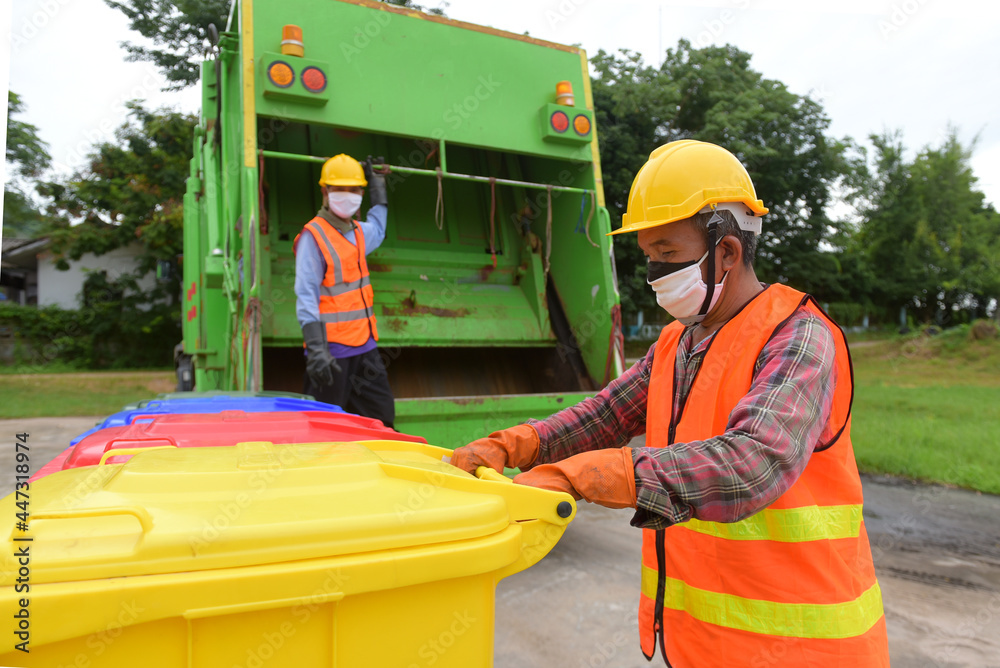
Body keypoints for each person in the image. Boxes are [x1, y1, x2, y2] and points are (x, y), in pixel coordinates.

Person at [450, 140, 890, 667]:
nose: (655, 273)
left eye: (669, 255)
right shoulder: (677, 343)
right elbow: (606, 415)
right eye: (649, 257)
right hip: (703, 646)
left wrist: (593, 475)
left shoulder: (798, 336)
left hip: (804, 649)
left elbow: (754, 463)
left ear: (726, 251)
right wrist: (518, 445)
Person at [293, 153, 395, 427]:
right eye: (340, 189)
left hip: (365, 347)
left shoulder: (360, 233)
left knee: (382, 420)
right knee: (326, 427)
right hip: (331, 354)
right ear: (325, 191)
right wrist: (316, 350)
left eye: (354, 189)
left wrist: (378, 186)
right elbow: (306, 296)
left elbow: (380, 228)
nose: (347, 195)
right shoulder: (312, 238)